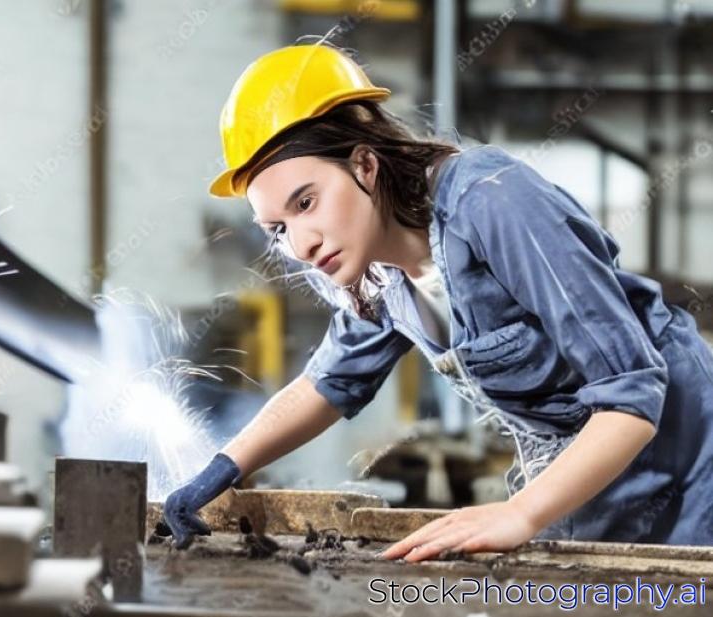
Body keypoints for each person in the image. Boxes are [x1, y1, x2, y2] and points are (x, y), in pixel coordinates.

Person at [162, 43, 713, 561]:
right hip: (587, 470)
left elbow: (634, 393)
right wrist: (221, 468)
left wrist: (520, 513)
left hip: (685, 450)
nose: (301, 243)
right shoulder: (380, 274)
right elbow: (327, 383)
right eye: (278, 228)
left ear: (364, 165)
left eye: (307, 202)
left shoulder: (490, 200)